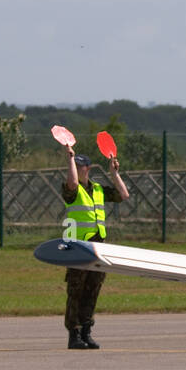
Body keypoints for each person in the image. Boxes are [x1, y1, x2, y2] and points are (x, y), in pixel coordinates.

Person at [61, 142, 130, 349]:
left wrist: (114, 173)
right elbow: (73, 182)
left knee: (93, 289)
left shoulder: (98, 189)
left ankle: (86, 331)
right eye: (77, 165)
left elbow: (123, 195)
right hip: (78, 246)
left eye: (82, 165)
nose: (80, 168)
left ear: (88, 169)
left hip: (98, 247)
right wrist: (70, 158)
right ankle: (73, 334)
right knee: (76, 291)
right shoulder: (71, 190)